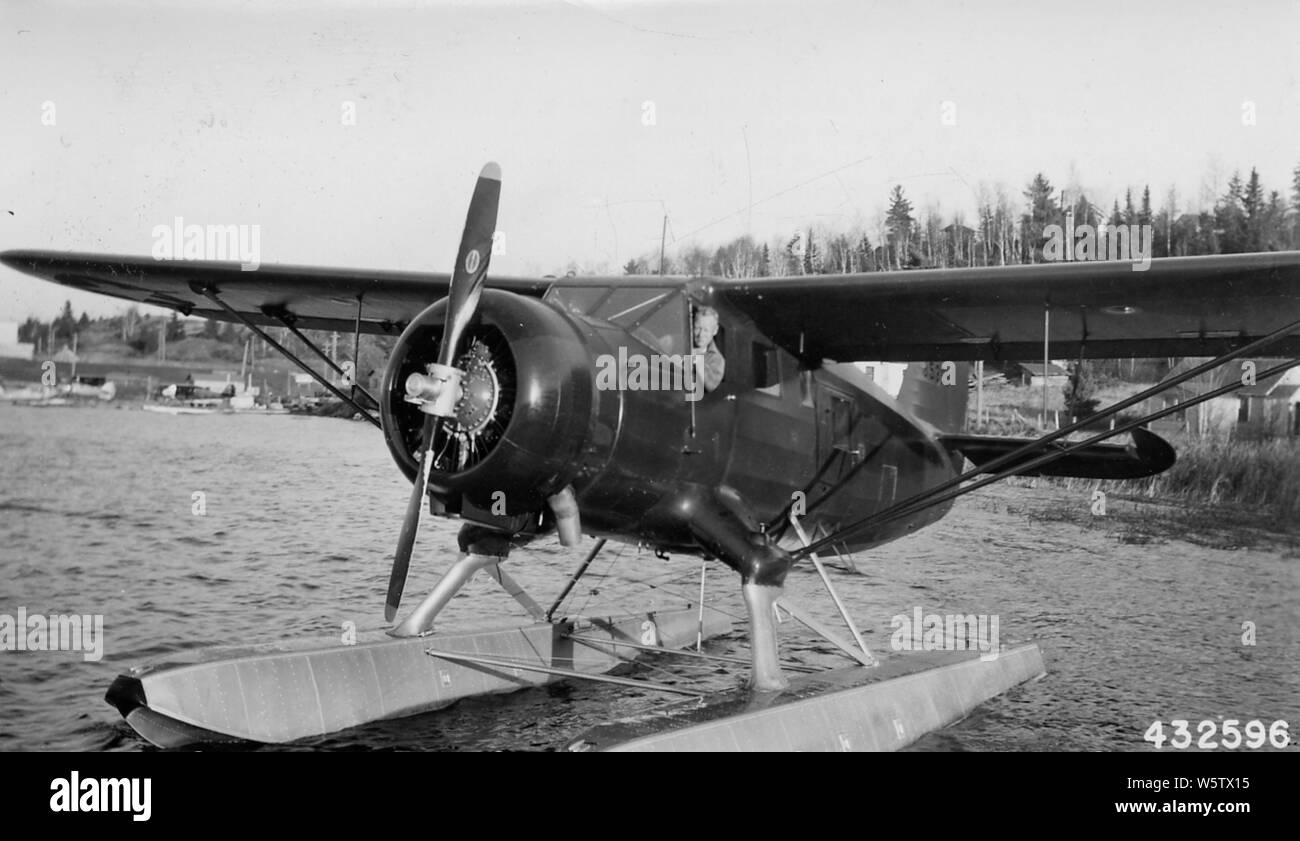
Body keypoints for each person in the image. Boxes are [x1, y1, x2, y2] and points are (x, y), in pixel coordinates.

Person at [691, 306, 725, 393]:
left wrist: (696, 361)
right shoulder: (676, 341)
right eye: (697, 328)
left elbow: (711, 385)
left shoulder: (717, 359)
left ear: (715, 330)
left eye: (706, 330)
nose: (700, 334)